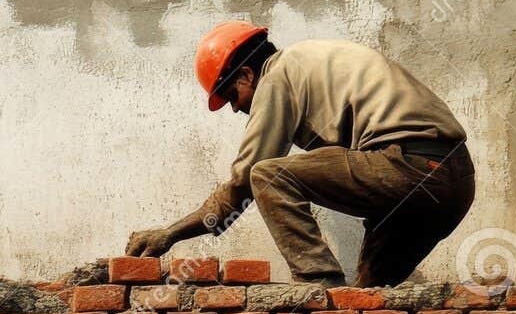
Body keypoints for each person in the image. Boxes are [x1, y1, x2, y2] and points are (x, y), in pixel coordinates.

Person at [126, 22, 475, 288]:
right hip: (452, 184)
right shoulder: (312, 61)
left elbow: (246, 180)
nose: (235, 110)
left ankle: (316, 285)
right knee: (367, 301)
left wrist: (170, 234)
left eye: (233, 96)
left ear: (247, 74)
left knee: (267, 175)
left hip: (409, 168)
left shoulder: (278, 74)